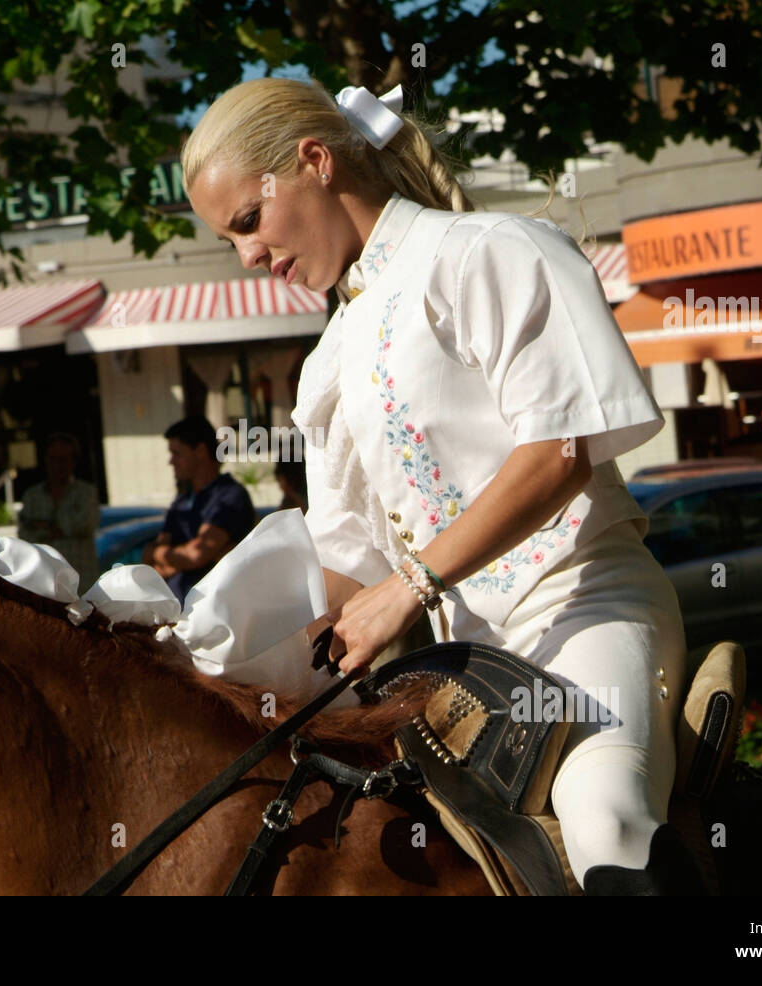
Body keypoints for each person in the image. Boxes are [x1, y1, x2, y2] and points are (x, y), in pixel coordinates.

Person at [183, 77, 701, 894]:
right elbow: (349, 564)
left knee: (605, 816)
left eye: (248, 221)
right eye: (230, 239)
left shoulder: (495, 250)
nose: (248, 254)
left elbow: (559, 451)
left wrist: (411, 584)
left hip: (586, 604)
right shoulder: (328, 362)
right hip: (465, 668)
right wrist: (198, 646)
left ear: (315, 161)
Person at [143, 416, 256, 604]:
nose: (171, 461)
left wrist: (165, 557)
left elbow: (197, 554)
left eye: (176, 453)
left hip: (216, 612)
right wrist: (178, 560)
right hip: (175, 611)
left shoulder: (230, 496)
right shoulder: (182, 500)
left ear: (201, 451)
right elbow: (150, 558)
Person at [17, 434, 101, 585]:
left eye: (63, 460)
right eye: (52, 458)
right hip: (45, 582)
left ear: (73, 462)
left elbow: (85, 524)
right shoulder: (32, 496)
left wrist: (43, 526)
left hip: (81, 582)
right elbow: (25, 537)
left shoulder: (86, 493)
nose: (57, 465)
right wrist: (61, 528)